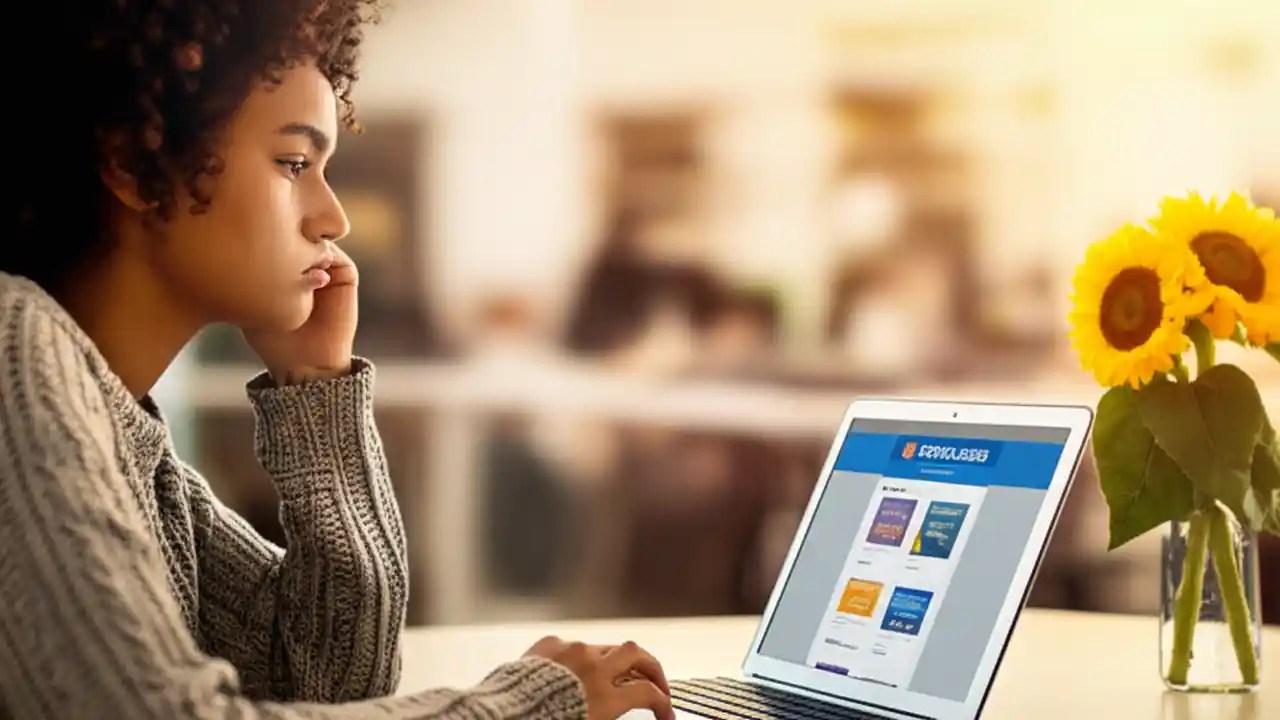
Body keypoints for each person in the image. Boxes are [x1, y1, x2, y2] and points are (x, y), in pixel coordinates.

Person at [0, 2, 672, 719]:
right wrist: (524, 706)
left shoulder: (134, 449)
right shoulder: (14, 345)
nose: (334, 217)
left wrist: (317, 391)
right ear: (135, 162)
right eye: (294, 163)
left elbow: (332, 676)